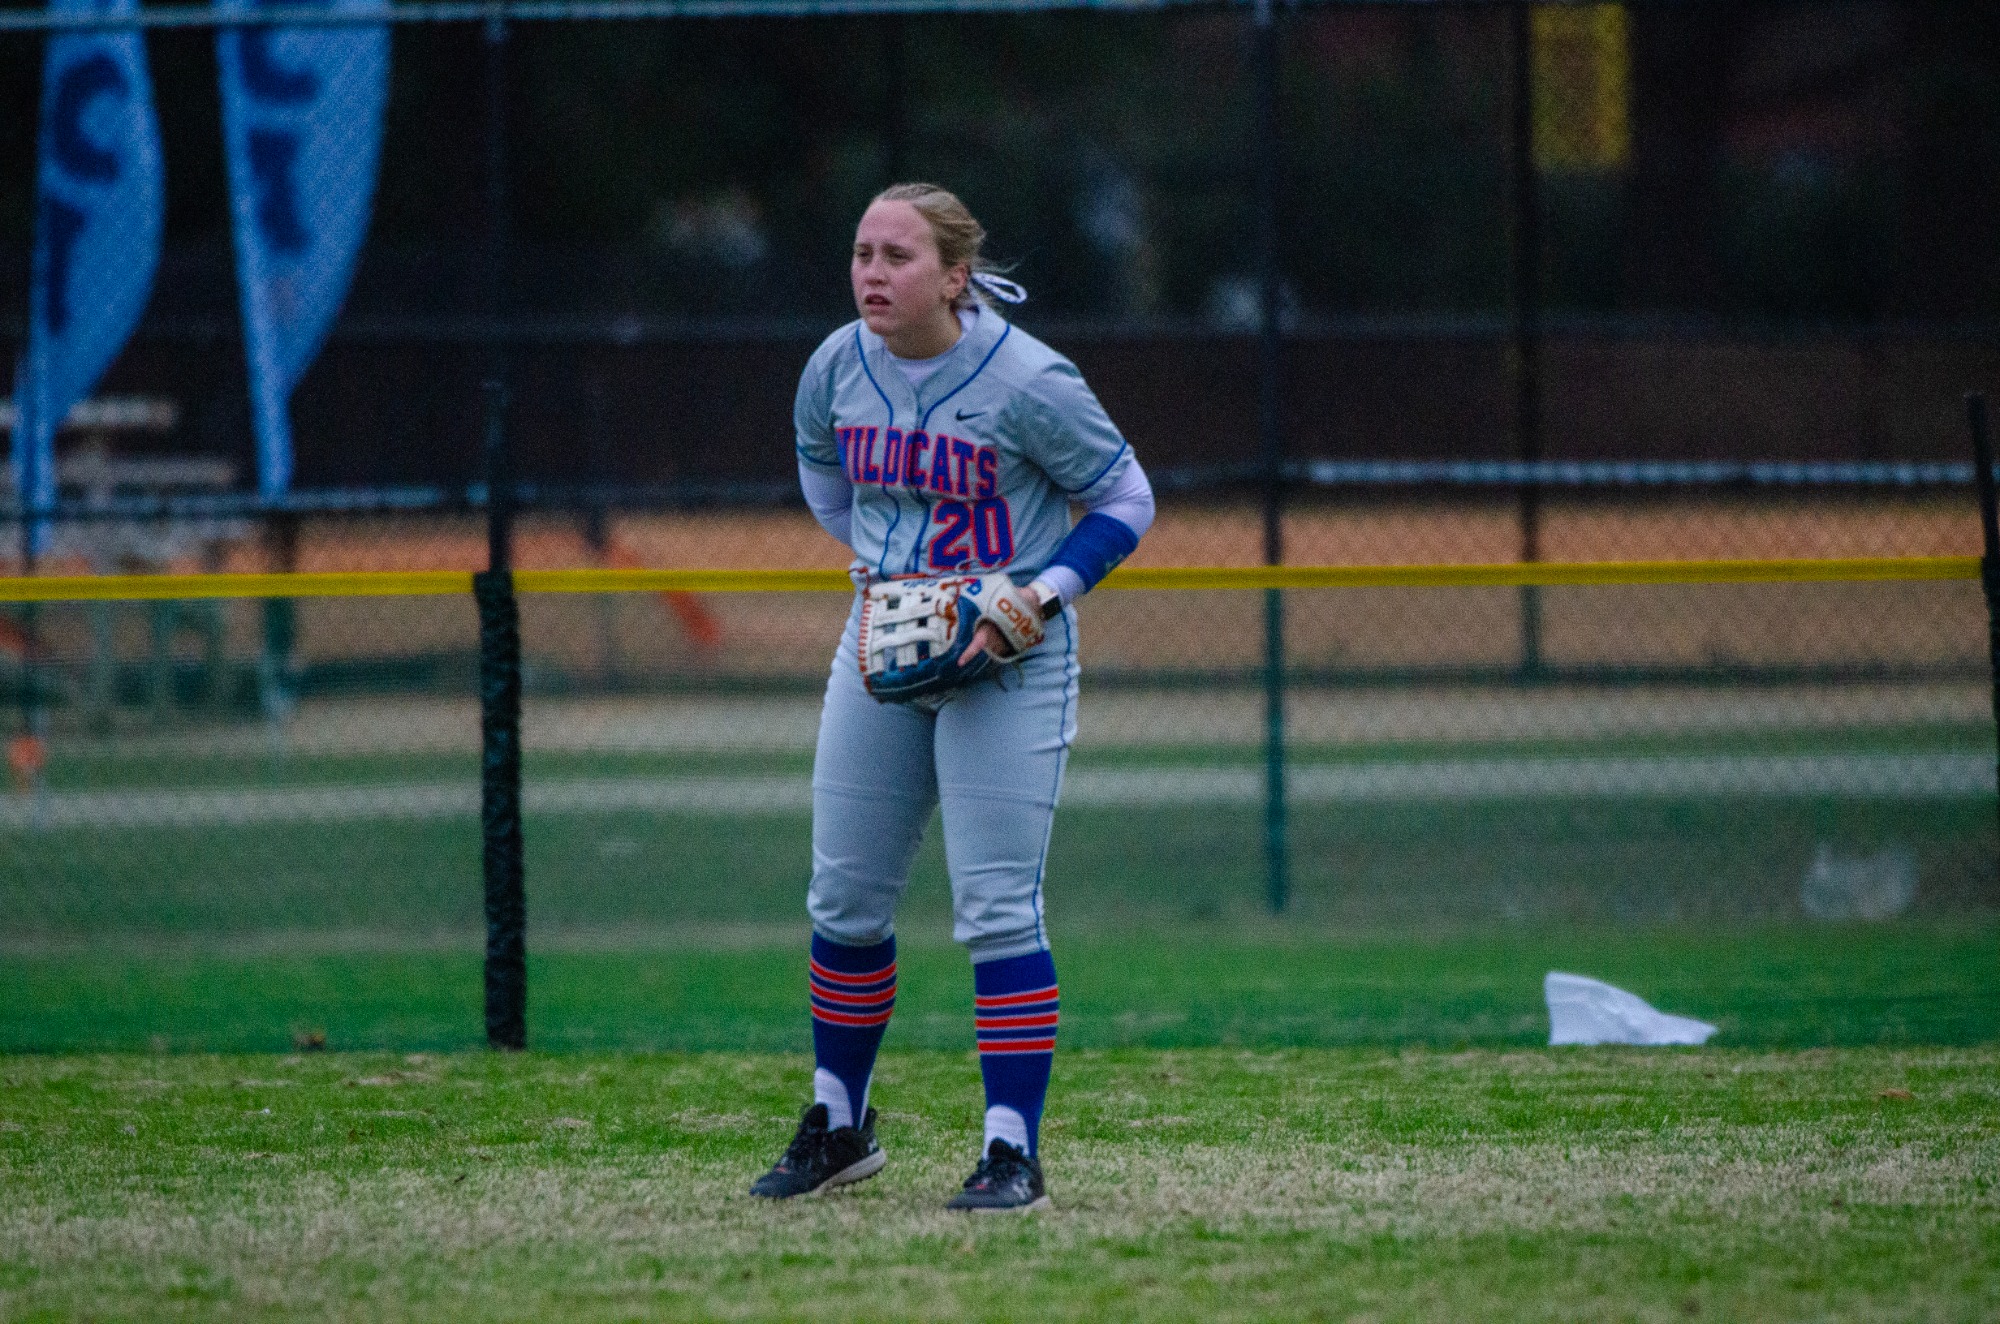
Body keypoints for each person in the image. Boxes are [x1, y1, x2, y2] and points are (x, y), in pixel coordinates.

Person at [749, 183, 1155, 1211]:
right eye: (861, 252)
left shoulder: (1025, 378)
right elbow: (823, 476)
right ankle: (839, 1125)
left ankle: (1009, 1149)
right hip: (879, 649)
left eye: (897, 255)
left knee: (995, 909)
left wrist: (1038, 594)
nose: (872, 273)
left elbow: (1124, 497)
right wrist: (899, 580)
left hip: (1009, 660)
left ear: (954, 276)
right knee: (841, 898)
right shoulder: (835, 365)